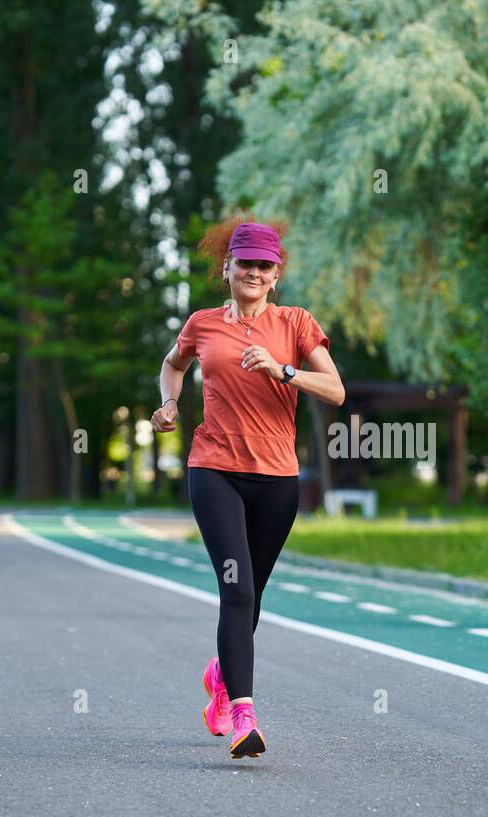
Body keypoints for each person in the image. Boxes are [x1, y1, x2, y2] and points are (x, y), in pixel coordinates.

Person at [151, 218, 345, 759]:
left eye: (265, 266)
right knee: (235, 590)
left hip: (277, 478)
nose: (254, 273)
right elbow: (173, 367)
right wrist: (169, 404)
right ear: (227, 269)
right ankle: (243, 715)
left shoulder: (297, 324)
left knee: (251, 597)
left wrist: (285, 371)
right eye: (246, 265)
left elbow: (335, 390)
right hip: (213, 468)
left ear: (276, 275)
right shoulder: (203, 324)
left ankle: (220, 673)